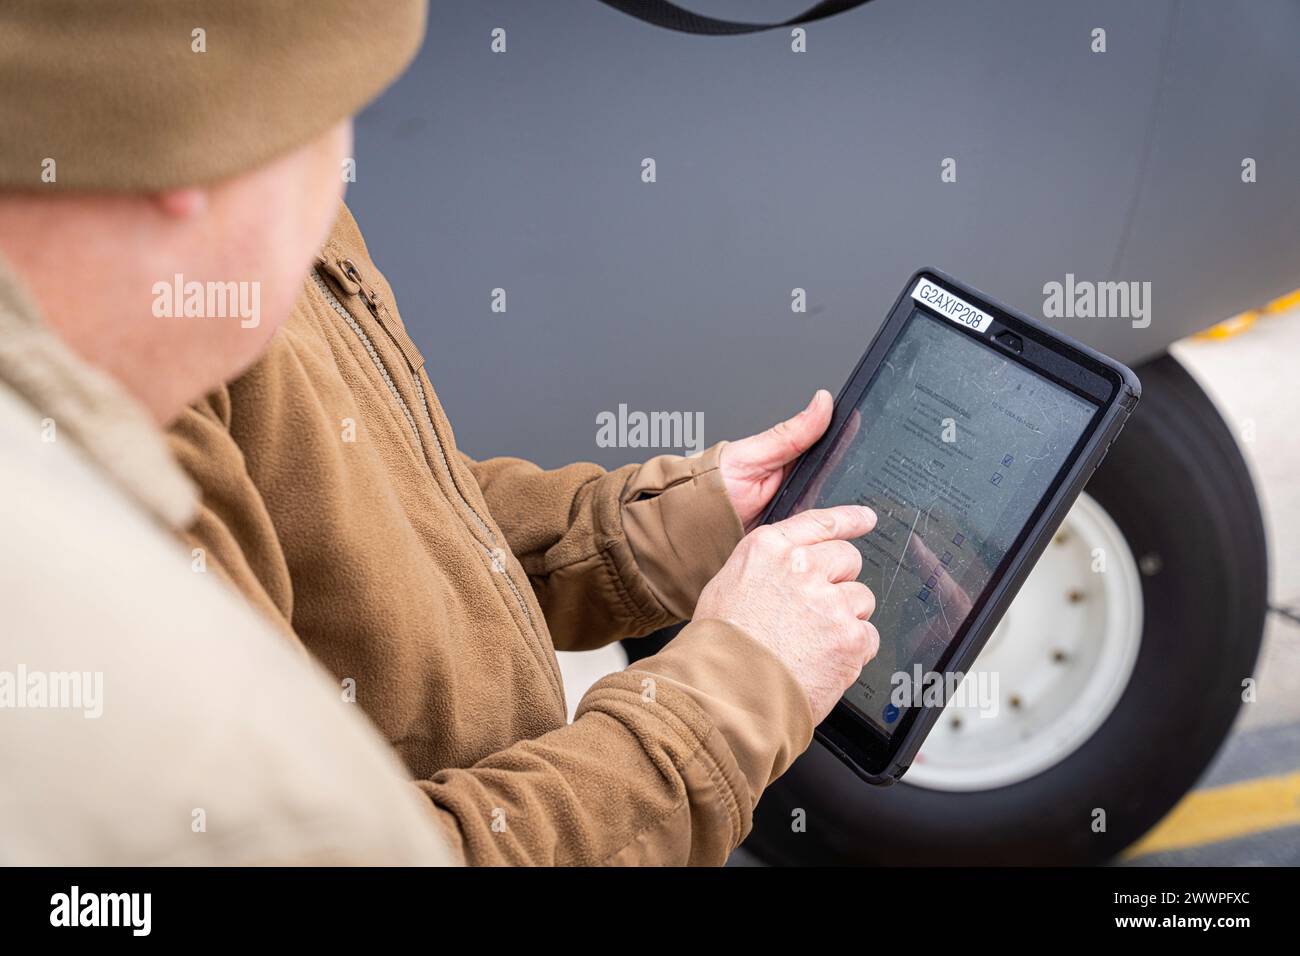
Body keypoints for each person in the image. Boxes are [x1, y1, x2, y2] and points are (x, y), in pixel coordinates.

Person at [166, 40, 883, 867]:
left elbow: (391, 521)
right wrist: (737, 687)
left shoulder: (265, 161)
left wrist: (694, 521)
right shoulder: (130, 335)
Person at [0, 0, 453, 864]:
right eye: (331, 118)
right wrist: (731, 691)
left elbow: (404, 513)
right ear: (195, 138)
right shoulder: (255, 791)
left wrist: (643, 532)